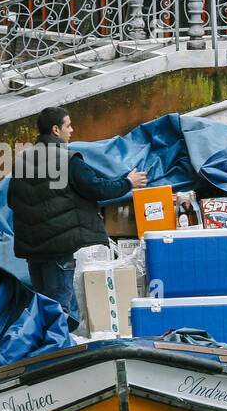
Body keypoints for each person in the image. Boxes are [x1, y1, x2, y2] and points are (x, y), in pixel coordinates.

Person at [8, 107, 149, 324]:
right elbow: (97, 188)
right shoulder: (68, 159)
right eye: (68, 125)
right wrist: (128, 183)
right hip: (59, 248)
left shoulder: (23, 160)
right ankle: (56, 349)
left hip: (33, 249)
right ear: (56, 130)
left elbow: (12, 200)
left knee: (43, 305)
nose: (72, 130)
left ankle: (44, 349)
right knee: (58, 307)